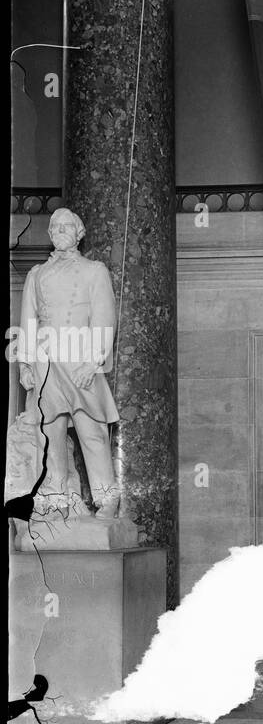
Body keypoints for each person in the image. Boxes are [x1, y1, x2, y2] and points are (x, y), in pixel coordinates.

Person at [17, 207, 121, 516]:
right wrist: (25, 364)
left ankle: (106, 499)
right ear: (49, 235)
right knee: (51, 432)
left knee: (92, 431)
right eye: (55, 226)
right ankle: (57, 494)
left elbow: (105, 318)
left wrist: (93, 362)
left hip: (79, 361)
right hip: (46, 362)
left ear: (79, 233)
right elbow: (28, 320)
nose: (60, 230)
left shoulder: (94, 271)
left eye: (67, 226)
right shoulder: (37, 274)